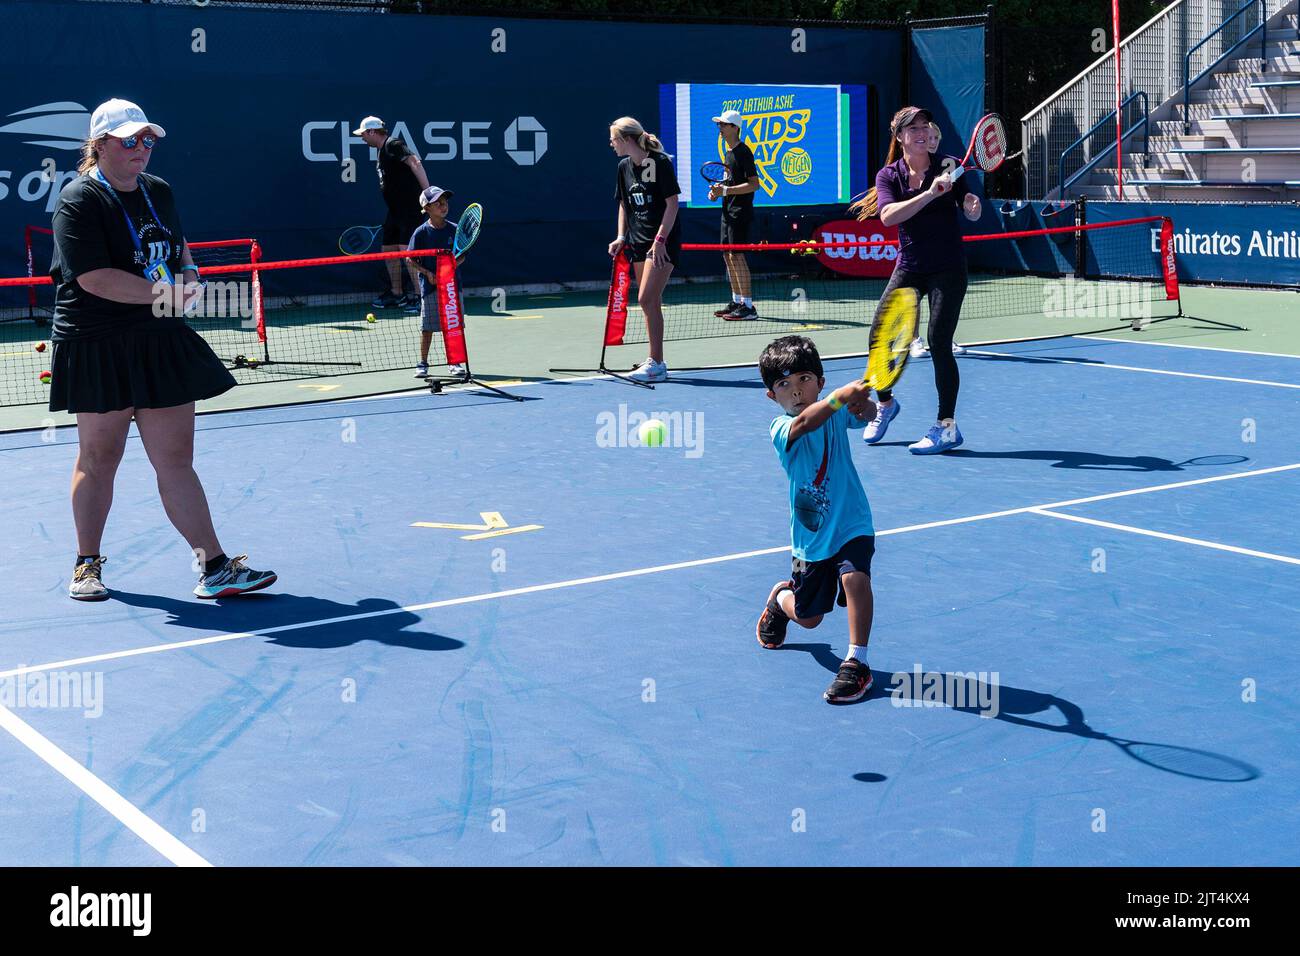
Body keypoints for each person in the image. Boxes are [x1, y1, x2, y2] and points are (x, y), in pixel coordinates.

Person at [50, 98, 276, 601]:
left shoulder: (158, 192)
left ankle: (214, 566)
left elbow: (178, 244)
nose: (142, 149)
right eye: (130, 140)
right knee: (99, 455)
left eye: (147, 140)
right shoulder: (79, 199)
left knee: (175, 459)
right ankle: (87, 564)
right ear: (101, 144)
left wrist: (190, 274)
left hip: (158, 336)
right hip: (97, 341)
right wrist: (166, 295)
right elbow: (94, 279)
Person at [756, 335, 879, 704]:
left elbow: (865, 416)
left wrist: (863, 407)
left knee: (856, 577)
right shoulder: (781, 430)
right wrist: (840, 397)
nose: (796, 392)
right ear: (772, 397)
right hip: (810, 540)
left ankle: (857, 663)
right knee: (810, 619)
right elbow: (809, 421)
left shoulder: (835, 411)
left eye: (804, 380)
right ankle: (781, 601)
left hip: (853, 521)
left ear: (820, 382)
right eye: (784, 385)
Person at [852, 105, 981, 454]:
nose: (921, 132)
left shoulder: (950, 166)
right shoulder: (888, 176)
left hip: (948, 268)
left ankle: (946, 426)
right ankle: (887, 404)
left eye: (925, 125)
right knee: (881, 337)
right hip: (909, 267)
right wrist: (928, 194)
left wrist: (970, 204)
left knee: (939, 343)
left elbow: (970, 207)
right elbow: (888, 217)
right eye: (913, 128)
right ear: (900, 137)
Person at [608, 116, 680, 384]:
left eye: (614, 139)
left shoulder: (659, 163)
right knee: (652, 303)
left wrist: (659, 241)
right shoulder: (623, 166)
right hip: (637, 242)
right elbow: (624, 205)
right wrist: (620, 236)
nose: (611, 144)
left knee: (645, 300)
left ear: (626, 139)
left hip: (661, 242)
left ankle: (658, 363)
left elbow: (672, 204)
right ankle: (655, 358)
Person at [354, 116, 430, 311]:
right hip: (395, 211)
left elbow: (415, 162)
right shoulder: (381, 151)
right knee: (388, 250)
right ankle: (397, 294)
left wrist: (428, 194)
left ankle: (420, 298)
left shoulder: (393, 144)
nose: (362, 138)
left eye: (363, 134)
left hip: (409, 209)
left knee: (408, 253)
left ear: (372, 132)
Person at [908, 122, 966, 359]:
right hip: (915, 247)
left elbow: (964, 198)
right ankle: (914, 340)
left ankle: (943, 337)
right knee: (913, 299)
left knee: (940, 296)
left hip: (944, 247)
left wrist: (970, 204)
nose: (931, 142)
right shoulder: (910, 169)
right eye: (927, 137)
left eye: (935, 138)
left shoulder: (950, 166)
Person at [407, 185, 467, 379]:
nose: (443, 205)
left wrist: (450, 268)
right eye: (437, 203)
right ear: (427, 209)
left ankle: (455, 362)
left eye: (445, 201)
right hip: (430, 289)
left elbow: (462, 255)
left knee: (453, 327)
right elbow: (410, 259)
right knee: (427, 328)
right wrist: (428, 273)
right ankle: (423, 363)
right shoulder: (421, 233)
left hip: (452, 288)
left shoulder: (455, 229)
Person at [707, 110, 760, 321]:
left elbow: (754, 185)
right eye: (718, 124)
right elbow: (730, 183)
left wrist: (726, 191)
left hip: (740, 213)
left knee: (737, 256)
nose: (719, 128)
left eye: (723, 125)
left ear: (735, 127)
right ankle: (737, 300)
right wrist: (718, 190)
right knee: (727, 255)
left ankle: (748, 306)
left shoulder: (744, 152)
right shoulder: (728, 153)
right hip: (727, 211)